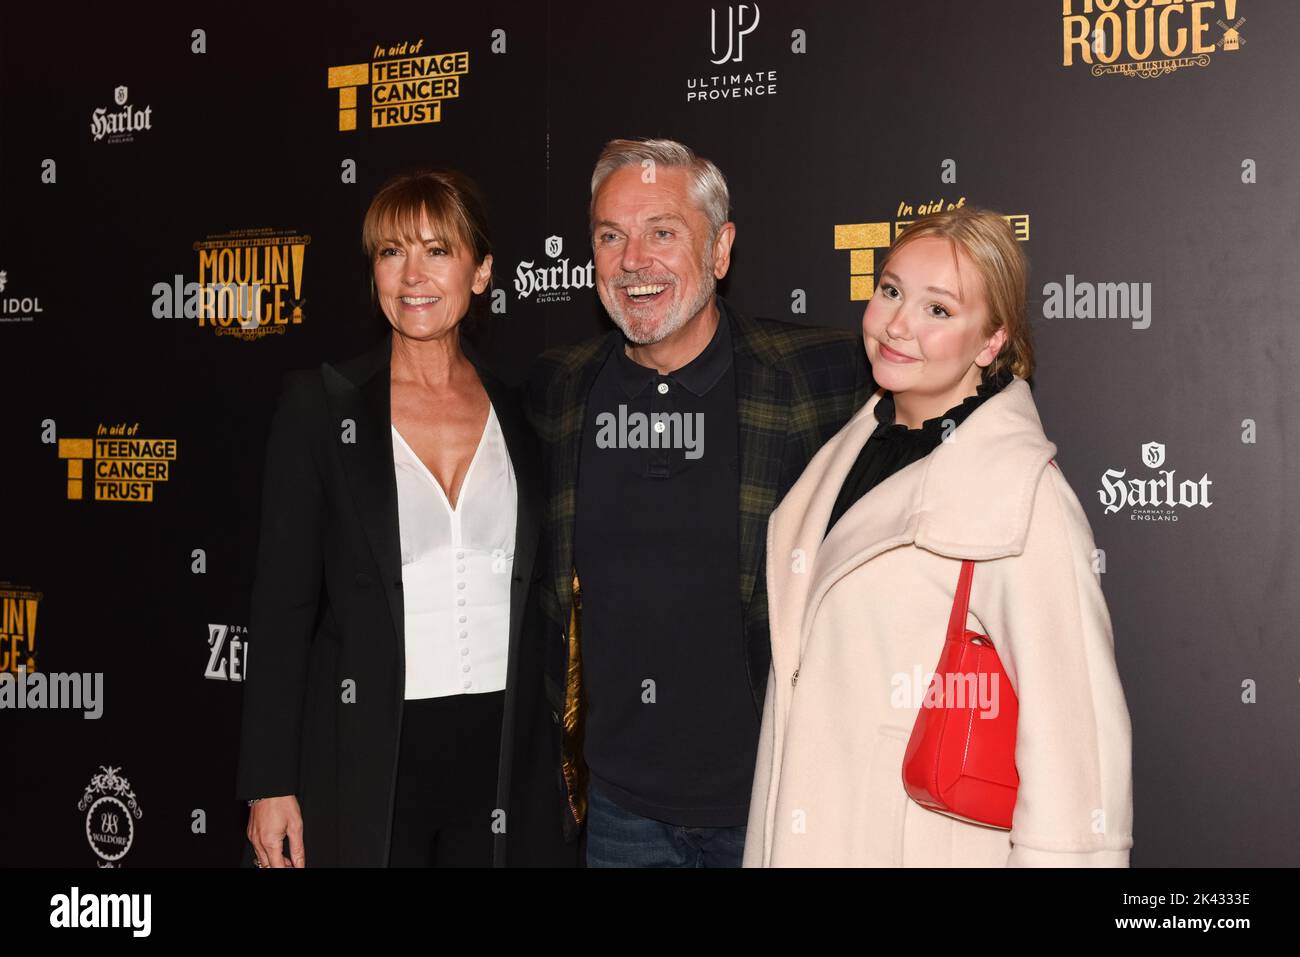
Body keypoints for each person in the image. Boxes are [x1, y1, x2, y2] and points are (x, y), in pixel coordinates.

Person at [743, 207, 1134, 866]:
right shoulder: (850, 448)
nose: (898, 324)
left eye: (939, 310)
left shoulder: (1023, 494)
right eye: (891, 291)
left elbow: (1078, 753)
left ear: (991, 341)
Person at [526, 138, 873, 867]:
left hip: (775, 804)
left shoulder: (820, 375)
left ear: (720, 251)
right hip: (620, 815)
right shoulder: (561, 390)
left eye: (662, 232)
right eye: (610, 236)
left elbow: (948, 413)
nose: (632, 261)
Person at [236, 168, 575, 868]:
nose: (412, 274)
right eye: (392, 252)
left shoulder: (522, 408)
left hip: (503, 754)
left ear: (481, 273)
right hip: (370, 753)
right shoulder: (321, 408)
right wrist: (270, 782)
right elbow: (281, 606)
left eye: (437, 250)